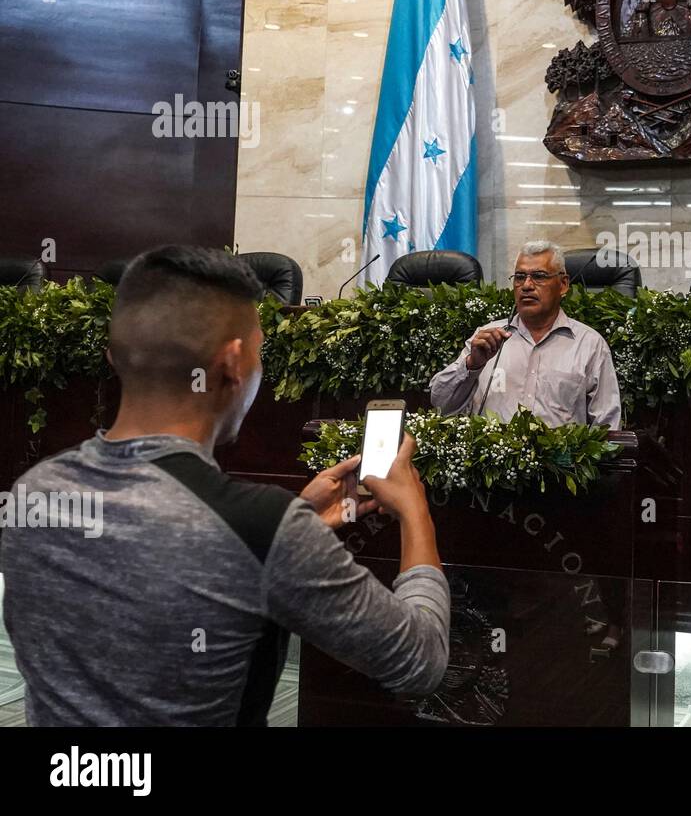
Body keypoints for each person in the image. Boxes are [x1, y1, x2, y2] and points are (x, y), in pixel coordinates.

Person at [0, 246, 450, 726]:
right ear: (234, 363)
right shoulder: (260, 527)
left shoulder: (34, 492)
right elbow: (419, 661)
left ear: (115, 357)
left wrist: (284, 531)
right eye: (260, 353)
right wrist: (414, 510)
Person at [429, 240, 621, 429]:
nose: (527, 285)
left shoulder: (590, 345)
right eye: (520, 277)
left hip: (562, 460)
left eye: (538, 276)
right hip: (492, 458)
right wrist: (472, 364)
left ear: (563, 285)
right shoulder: (487, 338)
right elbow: (441, 405)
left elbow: (607, 427)